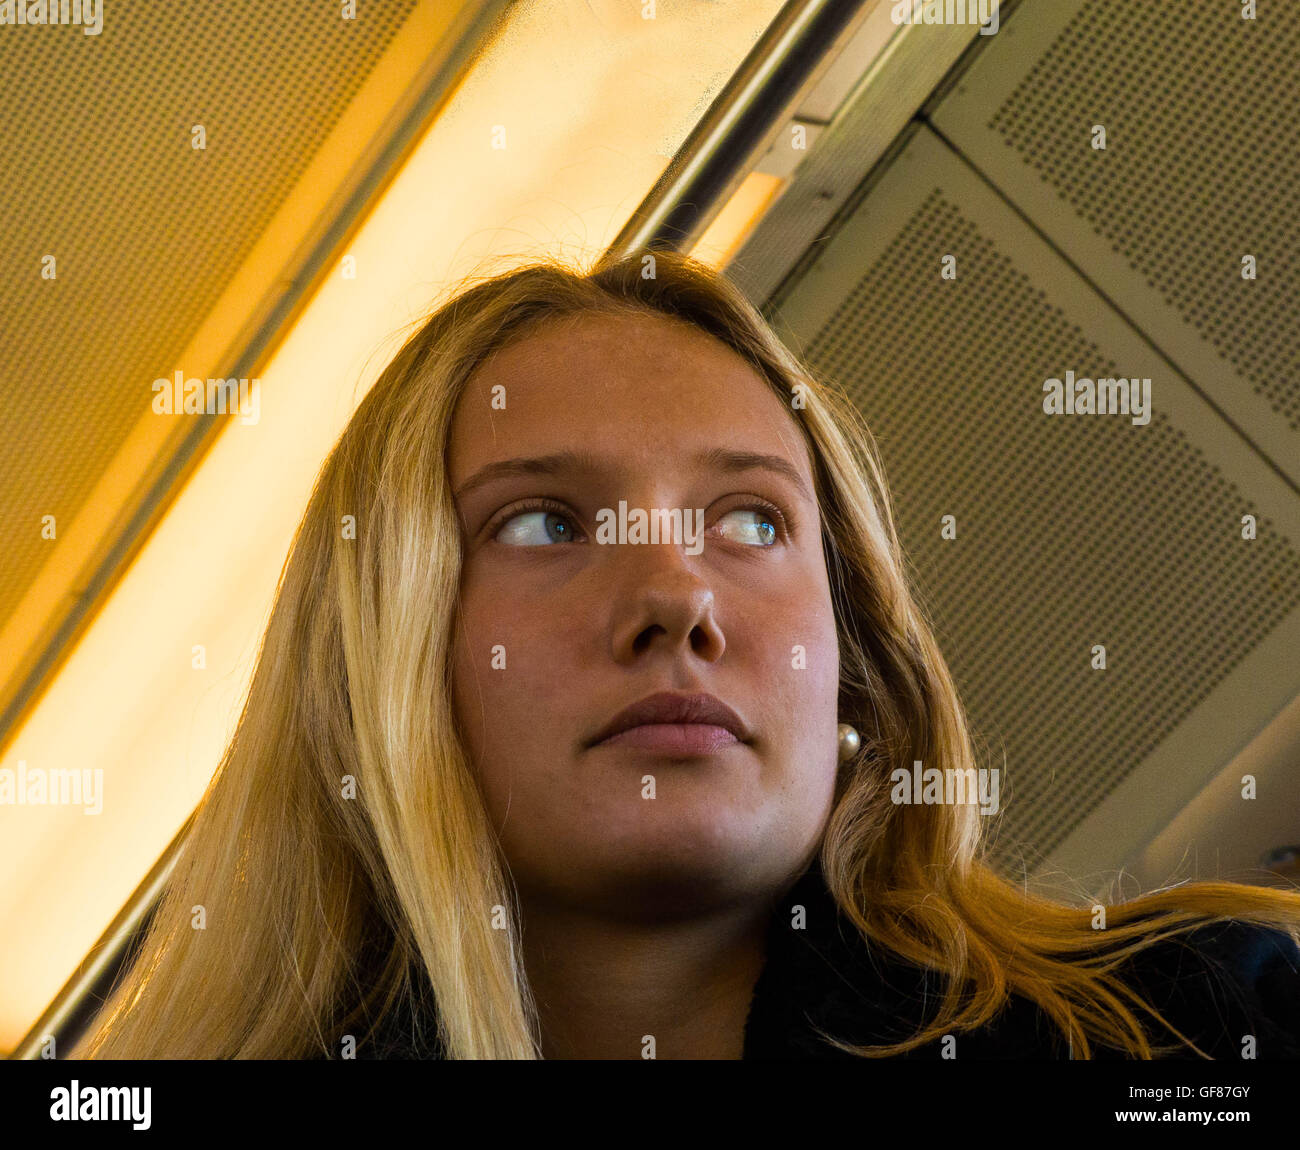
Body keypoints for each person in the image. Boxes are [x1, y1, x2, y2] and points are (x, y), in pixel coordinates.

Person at [73, 249, 1300, 1060]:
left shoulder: (1208, 1031)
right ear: (382, 659)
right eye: (544, 523)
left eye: (752, 521)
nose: (676, 597)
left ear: (853, 658)